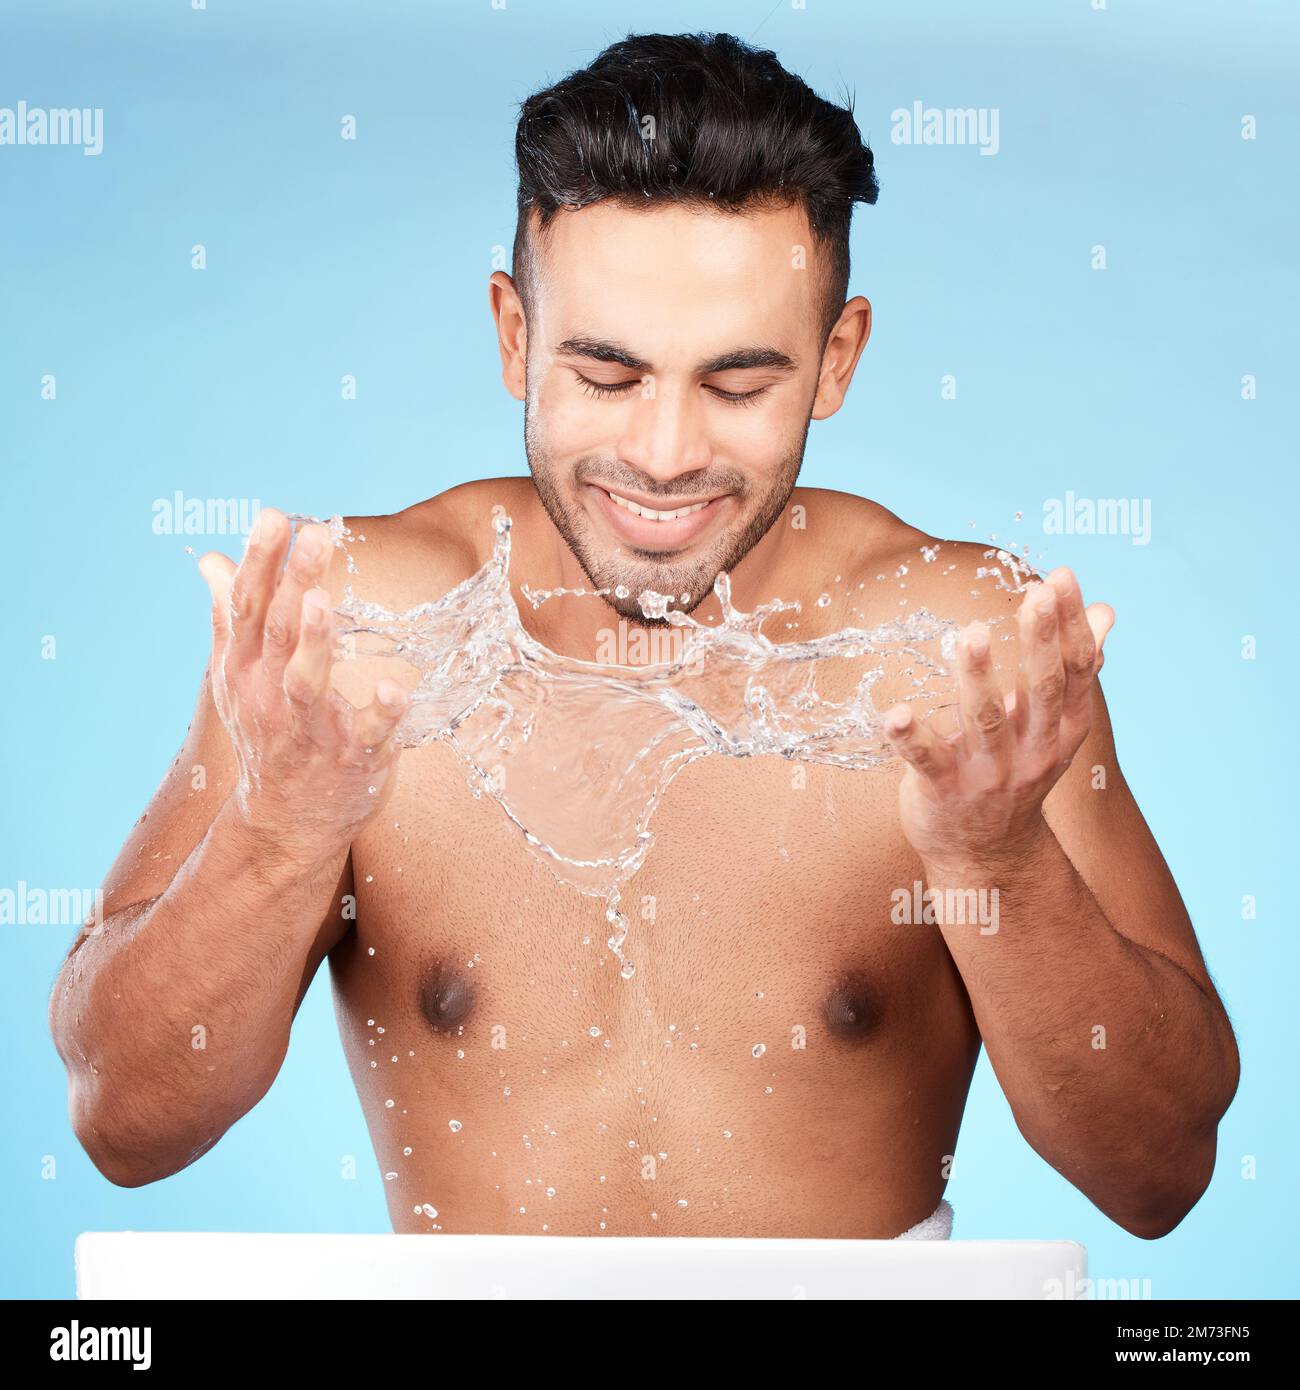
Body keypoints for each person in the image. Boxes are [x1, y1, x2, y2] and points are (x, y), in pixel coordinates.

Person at [50, 31, 1238, 1240]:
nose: (664, 455)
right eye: (607, 376)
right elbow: (124, 1122)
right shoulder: (350, 628)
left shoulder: (962, 644)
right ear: (514, 336)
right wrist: (276, 829)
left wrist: (999, 861)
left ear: (836, 360)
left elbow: (1159, 1172)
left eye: (736, 385)